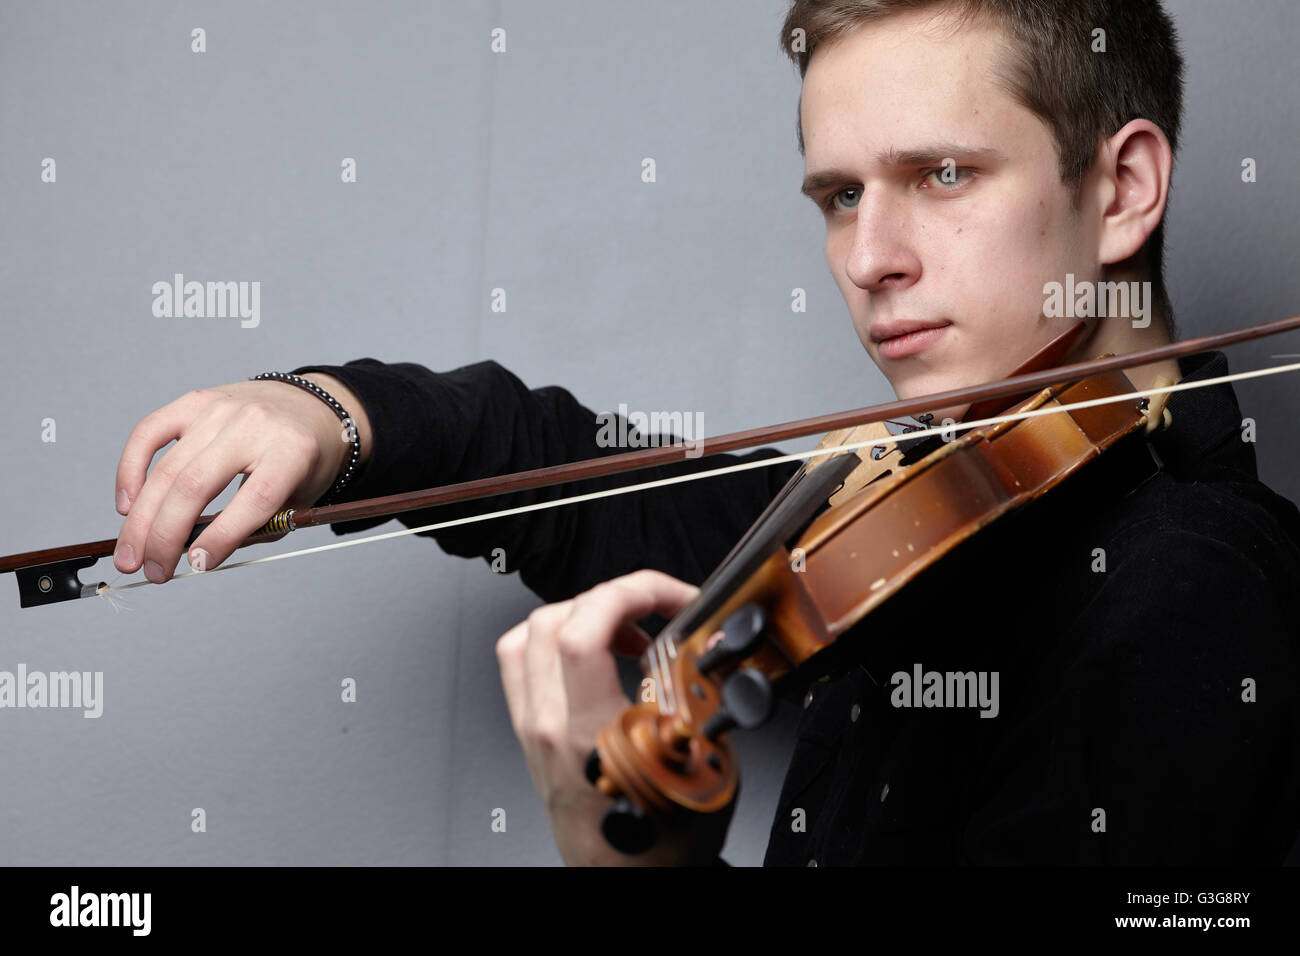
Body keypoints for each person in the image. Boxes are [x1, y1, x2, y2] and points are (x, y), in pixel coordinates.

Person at [110, 0, 1300, 865]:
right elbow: (607, 482)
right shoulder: (941, 502)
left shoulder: (1190, 590)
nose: (870, 259)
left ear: (1126, 188)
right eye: (839, 196)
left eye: (941, 174)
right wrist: (333, 413)